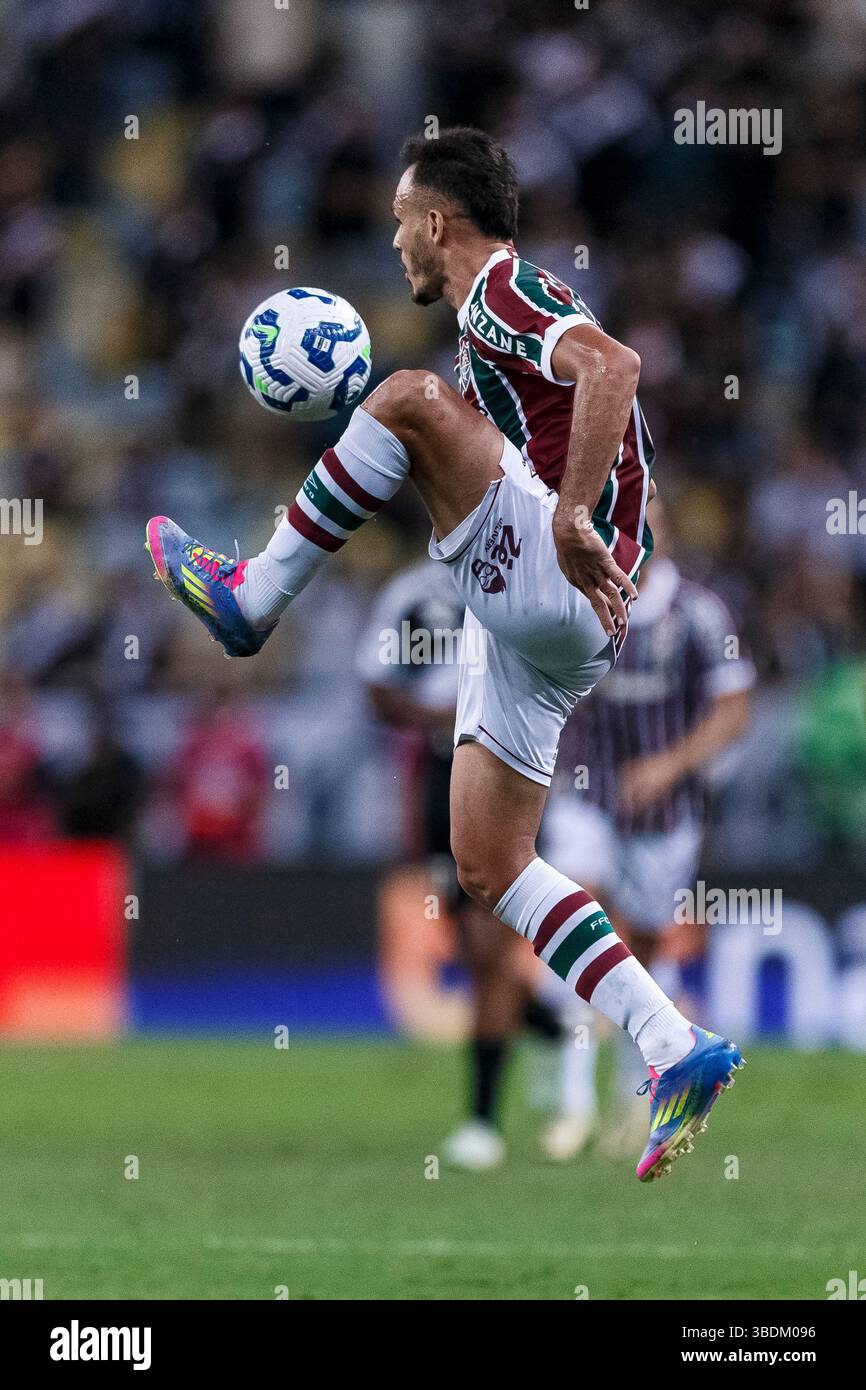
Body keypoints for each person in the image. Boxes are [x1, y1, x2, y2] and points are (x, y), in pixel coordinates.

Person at [145, 127, 743, 1181]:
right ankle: (673, 1048)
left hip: (563, 577)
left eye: (395, 224)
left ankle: (252, 597)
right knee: (490, 862)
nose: (392, 245)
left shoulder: (499, 291)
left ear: (436, 224)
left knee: (408, 401)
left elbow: (615, 365)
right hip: (565, 629)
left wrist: (566, 513)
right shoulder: (501, 322)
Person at [541, 504, 754, 1158]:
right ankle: (571, 1103)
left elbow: (734, 710)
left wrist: (672, 764)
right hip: (585, 788)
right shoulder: (574, 597)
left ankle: (636, 1098)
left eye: (644, 513)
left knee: (645, 946)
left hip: (664, 812)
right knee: (583, 915)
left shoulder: (698, 614)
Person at [356, 557, 565, 1170]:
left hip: (511, 767)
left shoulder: (531, 576)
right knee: (472, 949)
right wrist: (441, 718)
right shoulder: (415, 595)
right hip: (442, 774)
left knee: (488, 938)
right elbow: (376, 685)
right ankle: (545, 1023)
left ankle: (482, 1121)